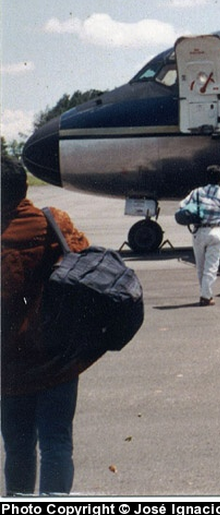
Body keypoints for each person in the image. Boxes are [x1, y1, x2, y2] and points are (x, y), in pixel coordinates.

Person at [1, 156, 95, 495]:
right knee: (57, 442)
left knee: (18, 447)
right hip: (59, 356)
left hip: (11, 363)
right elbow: (83, 260)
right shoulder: (53, 221)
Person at [181, 165, 220, 306]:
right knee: (211, 266)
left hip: (198, 231)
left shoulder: (197, 192)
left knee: (200, 266)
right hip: (216, 231)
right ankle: (206, 296)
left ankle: (205, 293)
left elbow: (182, 205)